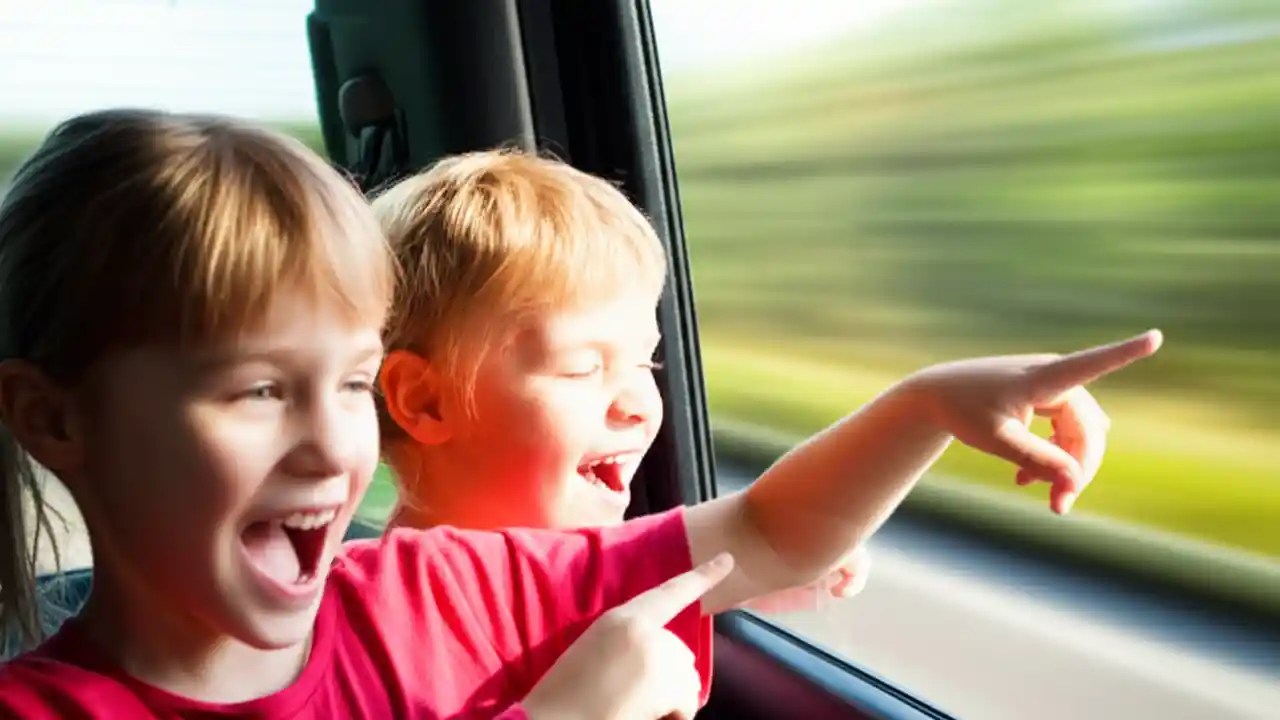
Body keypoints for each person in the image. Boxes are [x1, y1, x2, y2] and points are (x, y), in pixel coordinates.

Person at [0, 110, 1161, 720]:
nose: (329, 446)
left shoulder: (432, 588)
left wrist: (925, 406)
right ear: (56, 422)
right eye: (258, 390)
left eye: (350, 384)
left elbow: (762, 534)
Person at [374, 151, 865, 612]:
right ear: (426, 400)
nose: (637, 404)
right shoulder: (407, 606)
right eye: (584, 368)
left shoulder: (563, 566)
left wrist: (758, 572)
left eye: (645, 364)